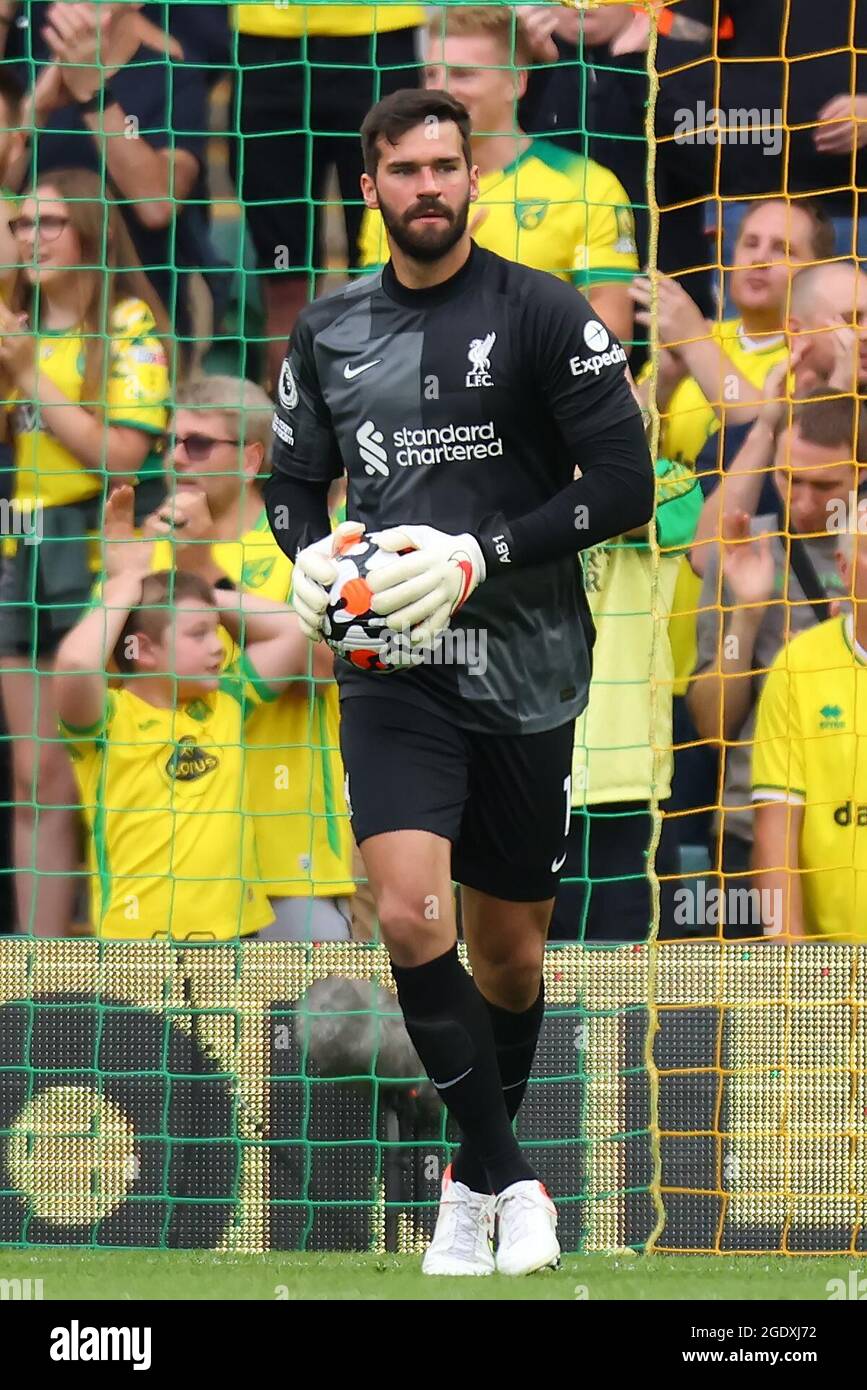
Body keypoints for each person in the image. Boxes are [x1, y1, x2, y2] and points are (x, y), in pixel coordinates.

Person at [264, 87, 653, 1276]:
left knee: (512, 955)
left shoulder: (540, 313)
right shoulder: (328, 331)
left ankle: (471, 1179)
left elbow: (626, 481)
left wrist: (485, 552)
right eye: (405, 170)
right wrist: (304, 558)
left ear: (472, 179)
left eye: (446, 166)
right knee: (406, 910)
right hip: (395, 666)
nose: (428, 186)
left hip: (528, 662)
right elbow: (290, 484)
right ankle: (510, 1178)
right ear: (369, 186)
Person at [0, 168, 170, 938]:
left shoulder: (128, 323)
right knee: (35, 777)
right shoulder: (11, 319)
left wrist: (31, 371)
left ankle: (108, 948)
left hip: (98, 547)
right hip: (18, 546)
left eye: (48, 223)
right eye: (21, 224)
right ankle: (38, 963)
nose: (29, 238)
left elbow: (122, 456)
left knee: (97, 772)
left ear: (91, 234)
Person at [144, 376, 356, 942]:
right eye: (171, 442)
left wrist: (206, 577)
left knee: (312, 1028)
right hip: (174, 858)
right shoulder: (147, 548)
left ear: (251, 459)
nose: (175, 458)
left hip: (289, 852)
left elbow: (326, 664)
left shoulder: (311, 545)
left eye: (198, 444)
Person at [54, 486, 309, 941]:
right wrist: (128, 583)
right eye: (197, 635)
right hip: (137, 946)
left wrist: (196, 593)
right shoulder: (106, 719)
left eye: (215, 633)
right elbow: (75, 663)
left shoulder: (227, 701)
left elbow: (294, 629)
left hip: (236, 940)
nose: (217, 646)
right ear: (145, 650)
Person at [687, 392, 865, 936]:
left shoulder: (860, 550)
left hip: (851, 830)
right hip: (753, 832)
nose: (805, 500)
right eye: (790, 479)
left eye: (825, 485)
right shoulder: (743, 548)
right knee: (771, 1015)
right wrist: (747, 613)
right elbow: (712, 728)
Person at [358, 5, 638, 347]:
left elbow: (610, 337)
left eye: (463, 74)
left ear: (515, 81)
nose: (441, 92)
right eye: (432, 74)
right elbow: (373, 330)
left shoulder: (586, 185)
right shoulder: (400, 191)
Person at [231, 0, 424, 391]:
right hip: (266, 37)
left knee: (388, 265)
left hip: (379, 32)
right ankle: (290, 432)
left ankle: (388, 421)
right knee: (283, 272)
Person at [550, 456, 700, 942]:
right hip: (517, 779)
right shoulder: (511, 465)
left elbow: (631, 506)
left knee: (630, 1000)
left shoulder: (670, 479)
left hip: (623, 790)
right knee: (514, 989)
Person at [12, 1, 208, 347]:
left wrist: (94, 95)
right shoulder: (23, 59)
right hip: (29, 318)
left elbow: (158, 204)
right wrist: (35, 112)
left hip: (137, 326)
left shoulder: (173, 72)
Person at [752, 528, 867, 941]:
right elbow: (775, 834)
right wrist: (794, 978)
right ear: (845, 568)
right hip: (832, 971)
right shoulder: (798, 667)